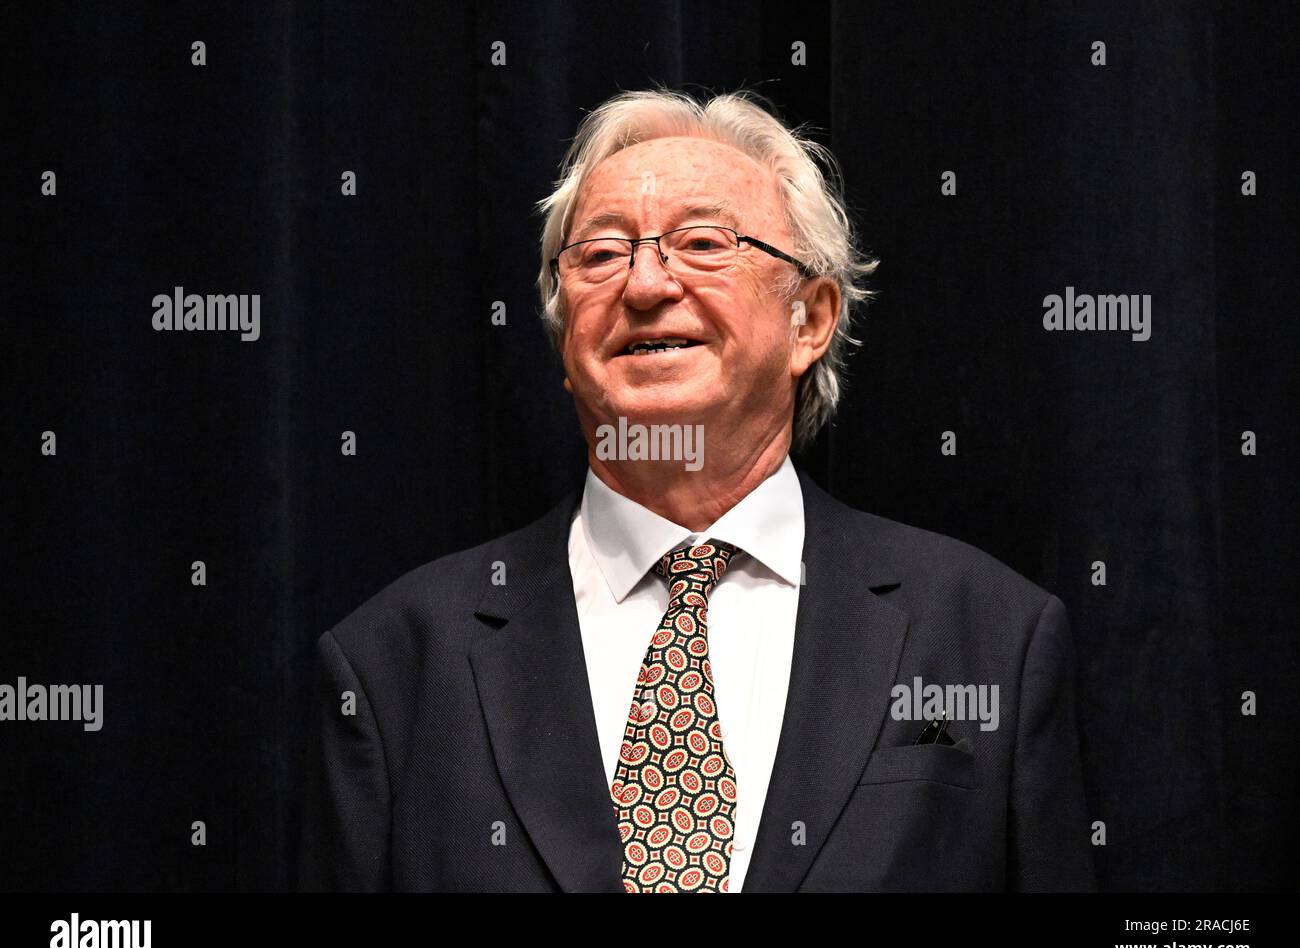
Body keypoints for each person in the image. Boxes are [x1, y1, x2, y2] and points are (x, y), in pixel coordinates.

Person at [298, 87, 1095, 892]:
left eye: (703, 242)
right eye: (601, 254)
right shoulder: (394, 667)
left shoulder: (990, 637)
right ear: (562, 325)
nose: (645, 285)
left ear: (810, 319)